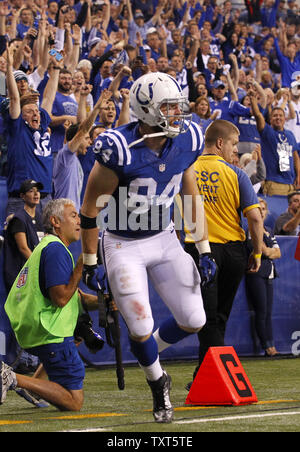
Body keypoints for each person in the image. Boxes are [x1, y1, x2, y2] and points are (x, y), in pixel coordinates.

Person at [79, 72, 217, 423]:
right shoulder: (120, 149)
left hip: (165, 237)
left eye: (177, 106)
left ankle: (148, 352)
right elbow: (90, 208)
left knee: (194, 319)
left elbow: (189, 193)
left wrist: (203, 248)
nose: (176, 114)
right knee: (140, 326)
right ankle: (157, 381)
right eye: (168, 108)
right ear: (147, 111)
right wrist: (91, 260)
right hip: (124, 243)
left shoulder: (187, 138)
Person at [184, 119, 263, 384]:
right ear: (219, 143)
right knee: (218, 317)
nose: (235, 151)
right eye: (232, 144)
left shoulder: (188, 170)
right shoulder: (236, 173)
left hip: (200, 250)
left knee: (206, 319)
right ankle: (203, 375)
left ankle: (213, 377)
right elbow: (255, 218)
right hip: (233, 252)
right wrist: (258, 252)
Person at [1, 198, 98, 411]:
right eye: (73, 215)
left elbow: (75, 296)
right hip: (49, 332)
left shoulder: (47, 247)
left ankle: (34, 387)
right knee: (74, 401)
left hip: (35, 329)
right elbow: (61, 298)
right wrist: (82, 263)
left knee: (73, 341)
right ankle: (11, 377)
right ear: (55, 221)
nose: (79, 221)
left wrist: (105, 302)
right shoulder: (56, 250)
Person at [4, 45, 63, 216]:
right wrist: (9, 67)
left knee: (47, 242)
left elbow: (49, 97)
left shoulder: (43, 122)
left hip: (45, 199)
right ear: (21, 115)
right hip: (21, 199)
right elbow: (15, 99)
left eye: (36, 111)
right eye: (30, 111)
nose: (36, 113)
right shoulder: (17, 127)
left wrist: (57, 69)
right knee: (21, 243)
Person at [245, 197, 281, 357]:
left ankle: (271, 346)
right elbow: (263, 250)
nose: (261, 212)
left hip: (269, 273)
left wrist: (269, 252)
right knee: (261, 311)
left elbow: (277, 253)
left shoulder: (268, 229)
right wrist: (268, 252)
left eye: (263, 209)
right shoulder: (250, 230)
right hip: (256, 273)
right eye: (258, 209)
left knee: (268, 312)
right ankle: (266, 346)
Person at [250, 90, 300, 196]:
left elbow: (295, 157)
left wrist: (298, 176)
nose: (278, 117)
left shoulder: (290, 134)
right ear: (270, 119)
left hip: (291, 184)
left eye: (281, 115)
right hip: (274, 183)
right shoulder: (267, 132)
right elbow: (258, 115)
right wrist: (253, 101)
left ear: (284, 119)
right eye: (275, 115)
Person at [3, 179, 44, 292]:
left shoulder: (40, 218)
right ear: (22, 196)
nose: (36, 194)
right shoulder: (18, 219)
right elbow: (23, 248)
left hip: (33, 273)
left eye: (38, 191)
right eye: (31, 191)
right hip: (20, 275)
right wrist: (39, 266)